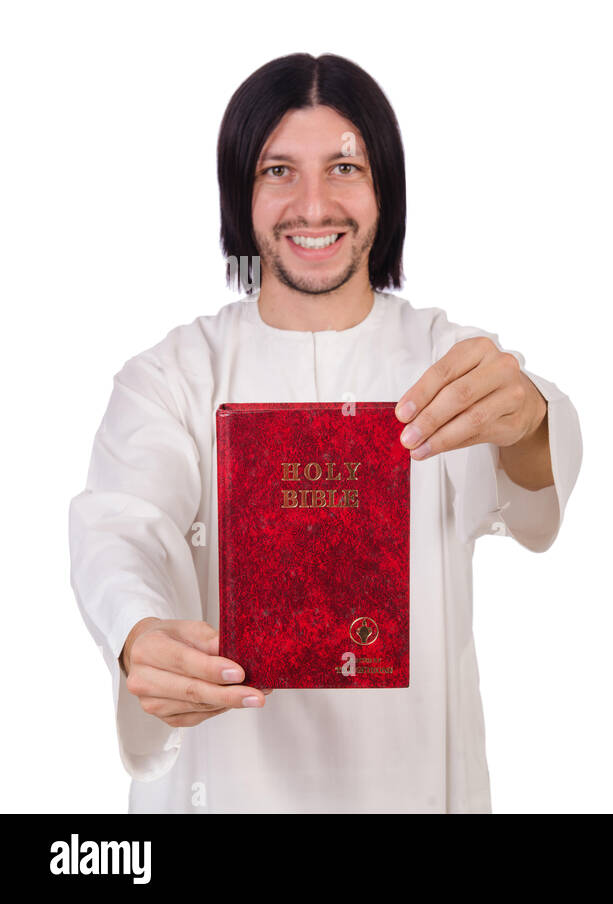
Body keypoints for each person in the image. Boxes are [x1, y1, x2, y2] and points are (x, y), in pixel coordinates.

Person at [68, 53, 582, 813]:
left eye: (345, 167)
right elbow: (122, 526)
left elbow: (529, 478)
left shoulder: (445, 360)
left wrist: (532, 416)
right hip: (226, 786)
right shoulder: (172, 375)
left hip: (409, 784)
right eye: (279, 171)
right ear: (240, 193)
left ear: (385, 191)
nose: (313, 205)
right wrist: (136, 629)